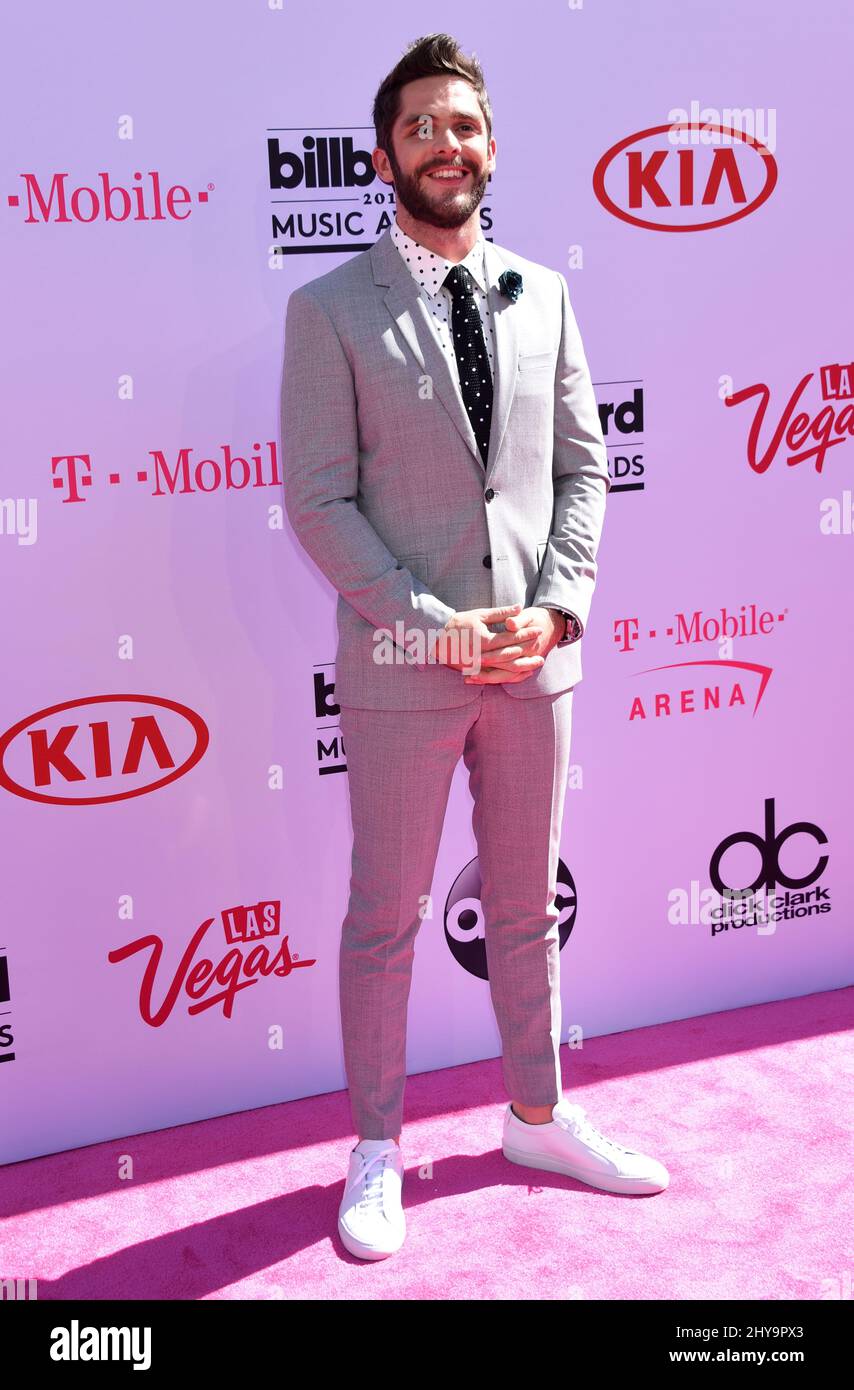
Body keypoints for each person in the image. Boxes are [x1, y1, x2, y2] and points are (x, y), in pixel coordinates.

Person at [281, 32, 669, 1262]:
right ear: (382, 155)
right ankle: (375, 1147)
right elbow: (317, 501)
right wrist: (432, 626)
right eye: (419, 127)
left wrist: (556, 608)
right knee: (384, 915)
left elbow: (582, 469)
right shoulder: (326, 310)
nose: (443, 144)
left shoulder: (541, 292)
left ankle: (536, 1117)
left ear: (490, 149)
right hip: (405, 667)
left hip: (533, 662)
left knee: (524, 902)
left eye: (462, 125)